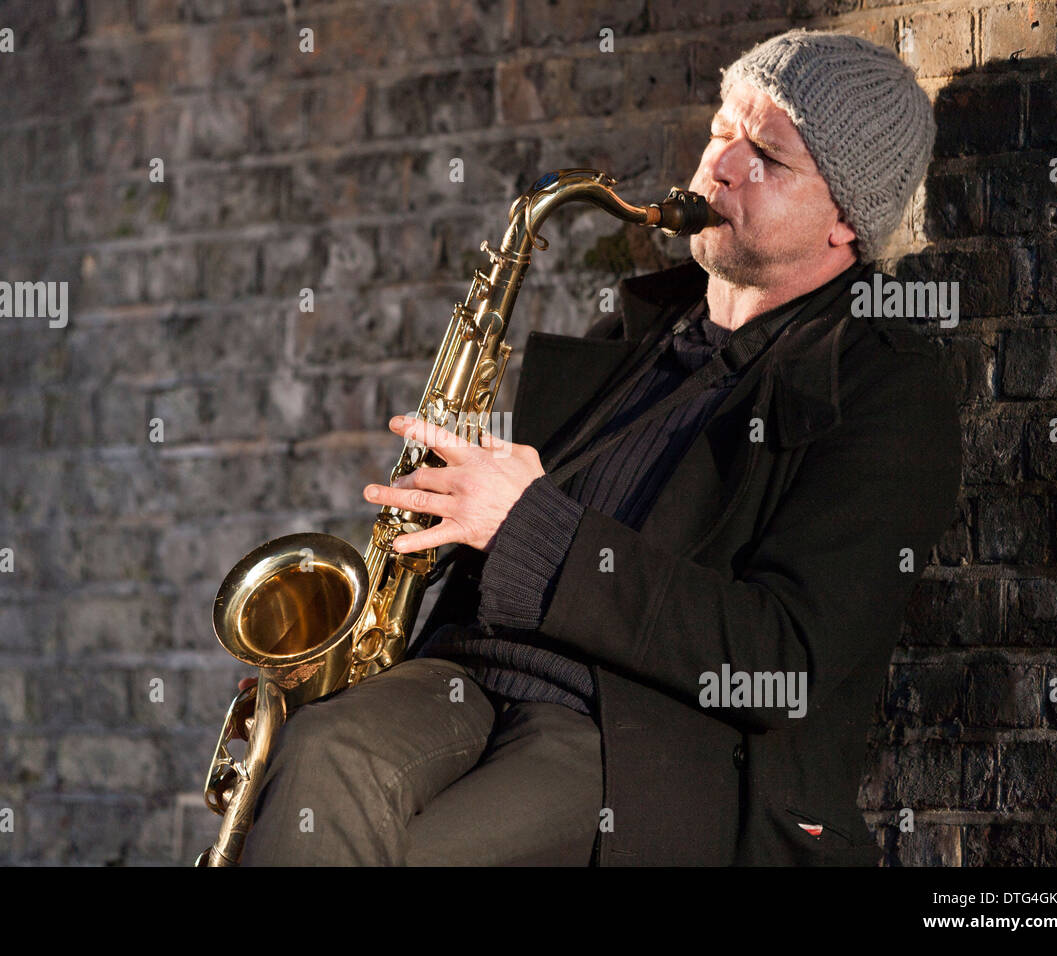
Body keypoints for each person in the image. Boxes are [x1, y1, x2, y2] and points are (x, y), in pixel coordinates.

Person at [236, 28, 962, 866]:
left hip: (633, 735)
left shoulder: (885, 387)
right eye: (723, 128)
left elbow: (787, 659)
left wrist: (530, 528)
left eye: (765, 153)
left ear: (845, 220)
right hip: (470, 677)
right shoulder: (632, 335)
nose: (720, 165)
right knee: (319, 750)